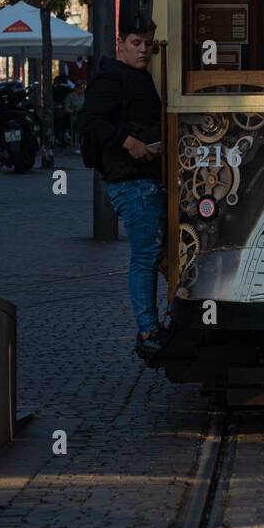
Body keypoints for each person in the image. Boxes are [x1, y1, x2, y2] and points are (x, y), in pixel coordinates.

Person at [77, 24, 169, 361]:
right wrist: (130, 144)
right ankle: (148, 330)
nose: (143, 50)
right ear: (120, 44)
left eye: (148, 44)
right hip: (131, 181)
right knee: (146, 256)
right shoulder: (113, 77)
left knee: (156, 254)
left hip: (141, 179)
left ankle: (155, 326)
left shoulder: (135, 75)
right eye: (136, 43)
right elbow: (87, 121)